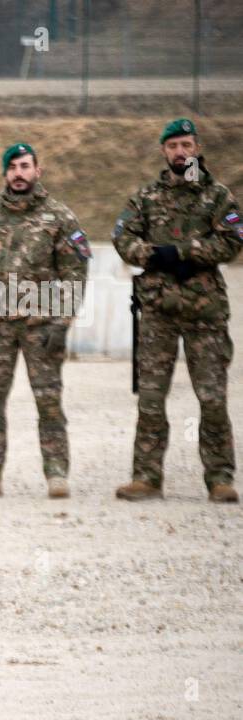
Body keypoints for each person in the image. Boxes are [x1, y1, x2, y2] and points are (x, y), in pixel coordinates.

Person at [113, 118, 240, 503]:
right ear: (164, 152)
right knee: (151, 398)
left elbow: (233, 239)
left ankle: (220, 477)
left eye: (186, 145)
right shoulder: (146, 198)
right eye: (173, 146)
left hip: (205, 313)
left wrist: (185, 253)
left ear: (197, 148)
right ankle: (147, 477)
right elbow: (123, 237)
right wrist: (154, 257)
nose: (180, 152)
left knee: (213, 397)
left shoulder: (218, 197)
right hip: (158, 313)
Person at [0, 142, 89, 499]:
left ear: (37, 171)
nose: (19, 173)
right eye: (13, 167)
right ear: (5, 174)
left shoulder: (59, 217)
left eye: (25, 166)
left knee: (48, 400)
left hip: (40, 326)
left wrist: (62, 323)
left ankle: (57, 474)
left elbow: (74, 272)